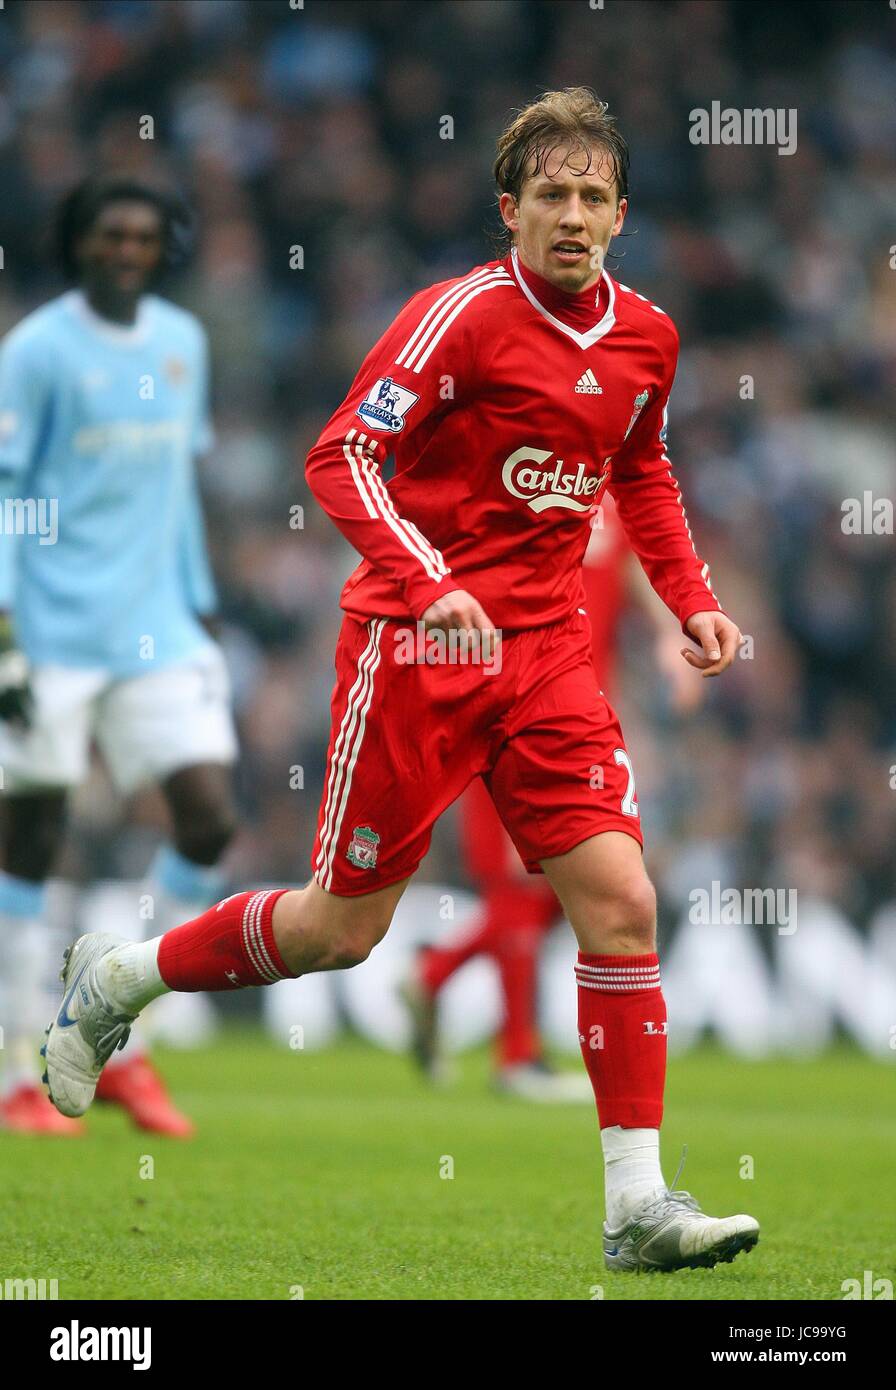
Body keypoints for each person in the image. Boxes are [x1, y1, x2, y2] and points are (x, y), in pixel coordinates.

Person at [43, 91, 759, 1271]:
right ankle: (119, 979)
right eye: (549, 195)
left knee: (620, 899)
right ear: (509, 209)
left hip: (544, 660)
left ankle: (634, 1204)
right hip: (417, 652)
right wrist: (428, 579)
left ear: (620, 214)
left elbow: (641, 470)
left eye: (591, 196)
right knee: (339, 931)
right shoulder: (456, 320)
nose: (571, 215)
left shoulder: (648, 338)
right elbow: (340, 455)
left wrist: (690, 599)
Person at [0, 177, 238, 1136]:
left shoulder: (184, 344)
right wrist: (5, 635)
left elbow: (176, 484)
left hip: (157, 626)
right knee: (32, 840)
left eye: (145, 233)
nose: (128, 248)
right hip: (50, 631)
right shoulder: (37, 351)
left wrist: (201, 601)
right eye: (110, 234)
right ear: (80, 242)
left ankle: (117, 1036)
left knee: (209, 820)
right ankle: (21, 1065)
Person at [404, 495, 704, 1102]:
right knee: (523, 883)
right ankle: (516, 1054)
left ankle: (436, 976)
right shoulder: (527, 478)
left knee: (569, 886)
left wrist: (674, 634)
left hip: (579, 715)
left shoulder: (612, 498)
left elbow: (642, 568)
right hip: (502, 702)